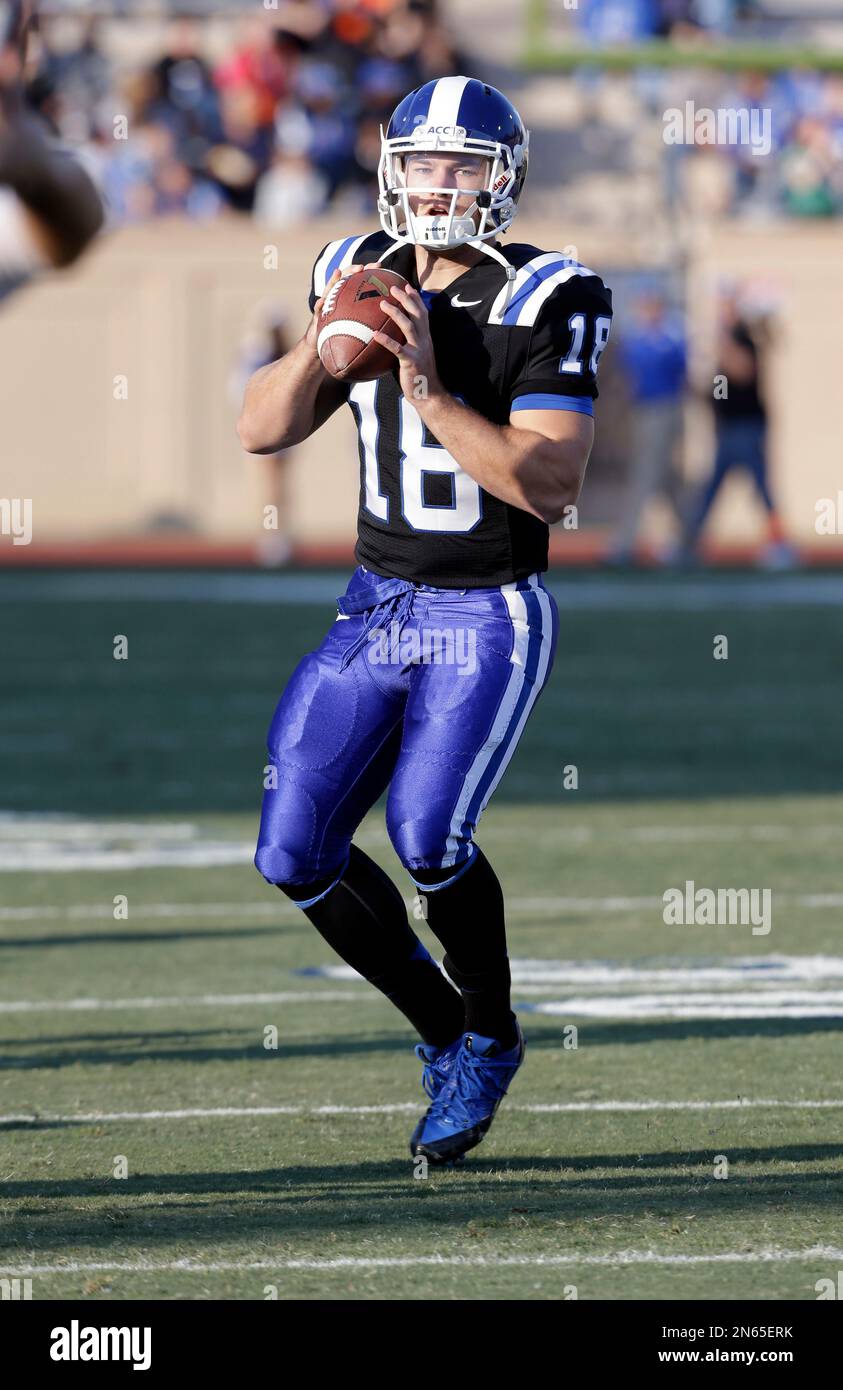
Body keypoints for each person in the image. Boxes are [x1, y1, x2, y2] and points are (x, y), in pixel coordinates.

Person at [238, 77, 613, 1164]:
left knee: (426, 836)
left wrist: (431, 389)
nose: (440, 185)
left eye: (463, 165)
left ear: (503, 178)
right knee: (292, 850)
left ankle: (492, 1034)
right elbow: (261, 428)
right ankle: (450, 1033)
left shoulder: (552, 292)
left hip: (485, 607)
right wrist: (326, 343)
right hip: (375, 602)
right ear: (393, 170)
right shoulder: (350, 267)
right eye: (424, 163)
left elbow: (550, 484)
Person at [678, 286, 793, 567]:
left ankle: (780, 545)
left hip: (747, 427)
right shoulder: (726, 341)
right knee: (711, 490)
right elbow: (719, 390)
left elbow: (743, 372)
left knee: (761, 489)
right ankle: (690, 544)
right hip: (728, 427)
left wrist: (721, 345)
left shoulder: (742, 337)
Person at [606, 290, 687, 565]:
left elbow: (683, 377)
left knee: (645, 476)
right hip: (643, 413)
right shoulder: (635, 340)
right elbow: (625, 379)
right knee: (667, 478)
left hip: (664, 412)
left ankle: (624, 544)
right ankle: (688, 539)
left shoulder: (671, 338)